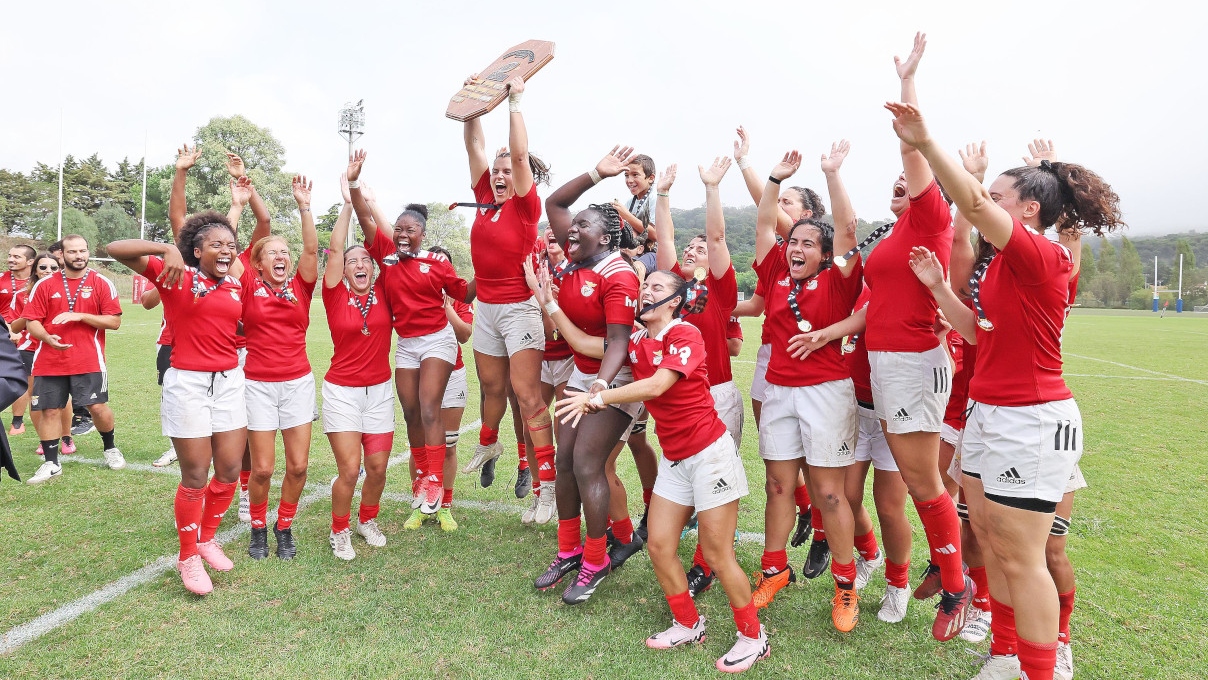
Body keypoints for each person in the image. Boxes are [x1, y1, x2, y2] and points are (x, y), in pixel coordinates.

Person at [889, 92, 1122, 680]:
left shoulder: (1042, 256)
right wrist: (941, 289)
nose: (984, 204)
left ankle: (1043, 668)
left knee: (1025, 556)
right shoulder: (1001, 268)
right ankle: (1007, 655)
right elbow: (980, 333)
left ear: (1029, 211)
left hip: (1032, 417)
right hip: (991, 413)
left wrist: (923, 142)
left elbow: (965, 199)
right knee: (991, 540)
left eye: (998, 198)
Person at [556, 269, 768, 674]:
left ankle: (753, 638)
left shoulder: (684, 334)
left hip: (710, 455)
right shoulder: (634, 339)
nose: (645, 291)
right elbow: (585, 343)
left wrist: (596, 398)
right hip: (675, 459)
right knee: (658, 546)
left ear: (674, 300)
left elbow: (656, 386)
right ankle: (688, 623)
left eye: (656, 287)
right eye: (644, 285)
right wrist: (547, 301)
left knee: (720, 556)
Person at [858, 35, 977, 641]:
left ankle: (955, 586)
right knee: (917, 477)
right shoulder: (894, 233)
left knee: (921, 480)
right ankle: (950, 572)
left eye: (913, 182)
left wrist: (908, 85)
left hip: (912, 361)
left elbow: (913, 148)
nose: (903, 185)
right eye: (899, 184)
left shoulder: (932, 215)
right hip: (888, 362)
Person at [108, 188, 248, 595]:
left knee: (228, 469)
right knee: (195, 475)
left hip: (229, 382)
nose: (226, 250)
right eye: (217, 244)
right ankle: (187, 555)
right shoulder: (176, 276)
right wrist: (166, 246)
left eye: (231, 245)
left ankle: (206, 538)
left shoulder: (236, 285)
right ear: (197, 250)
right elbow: (116, 248)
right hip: (187, 383)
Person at [750, 146, 862, 632]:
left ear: (825, 251)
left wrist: (831, 174)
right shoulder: (777, 273)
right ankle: (774, 571)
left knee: (830, 495)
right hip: (779, 391)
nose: (797, 249)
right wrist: (773, 180)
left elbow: (850, 231)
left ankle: (845, 584)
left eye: (808, 243)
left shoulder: (839, 282)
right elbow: (762, 226)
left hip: (827, 393)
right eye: (793, 241)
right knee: (778, 484)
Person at [530, 146, 641, 605]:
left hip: (617, 381)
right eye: (572, 226)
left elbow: (619, 343)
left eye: (582, 226)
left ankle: (596, 561)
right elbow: (553, 204)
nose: (570, 230)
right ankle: (569, 551)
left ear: (607, 236)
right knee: (563, 463)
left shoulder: (619, 275)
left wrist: (599, 389)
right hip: (583, 374)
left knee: (587, 463)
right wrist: (597, 172)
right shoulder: (577, 257)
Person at [347, 152, 470, 530]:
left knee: (430, 405)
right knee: (412, 411)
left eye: (409, 230)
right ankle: (423, 477)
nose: (402, 234)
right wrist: (355, 187)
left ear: (422, 234)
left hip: (438, 340)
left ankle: (433, 480)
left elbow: (464, 292)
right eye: (398, 229)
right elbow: (367, 218)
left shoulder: (436, 262)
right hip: (408, 344)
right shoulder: (385, 256)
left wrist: (498, 270)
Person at [731, 125, 828, 577]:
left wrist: (760, 174)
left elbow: (766, 214)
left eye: (792, 201)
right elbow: (756, 303)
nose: (779, 205)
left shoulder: (808, 245)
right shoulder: (779, 257)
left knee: (814, 457)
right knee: (777, 446)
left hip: (812, 364)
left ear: (808, 217)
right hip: (773, 352)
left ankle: (825, 528)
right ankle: (805, 508)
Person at [457, 76, 557, 501]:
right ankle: (488, 442)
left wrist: (515, 100)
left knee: (529, 398)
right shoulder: (484, 197)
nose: (498, 176)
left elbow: (517, 155)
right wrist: (474, 103)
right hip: (489, 311)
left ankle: (546, 486)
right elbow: (474, 145)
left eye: (506, 172)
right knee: (492, 388)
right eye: (495, 173)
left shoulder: (525, 206)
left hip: (520, 310)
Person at [651, 158, 745, 596]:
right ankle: (691, 548)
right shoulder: (674, 289)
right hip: (677, 398)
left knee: (715, 490)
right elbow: (665, 237)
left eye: (700, 249)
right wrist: (664, 194)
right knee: (683, 479)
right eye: (690, 249)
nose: (692, 251)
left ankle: (706, 563)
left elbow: (719, 236)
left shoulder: (722, 290)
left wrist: (711, 188)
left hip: (717, 398)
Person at [237, 175, 318, 561]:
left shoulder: (301, 286)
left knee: (299, 466)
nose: (281, 256)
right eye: (272, 252)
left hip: (297, 383)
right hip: (257, 384)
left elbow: (313, 250)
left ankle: (283, 526)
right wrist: (239, 204)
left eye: (285, 251)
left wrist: (304, 205)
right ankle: (257, 527)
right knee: (264, 469)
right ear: (258, 262)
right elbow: (226, 252)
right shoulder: (248, 282)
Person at [321, 178, 394, 560]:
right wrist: (348, 202)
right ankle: (340, 530)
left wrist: (369, 202)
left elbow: (388, 245)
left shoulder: (385, 291)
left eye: (366, 260)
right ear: (344, 270)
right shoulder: (334, 293)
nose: (360, 264)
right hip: (342, 392)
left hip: (380, 391)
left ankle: (367, 519)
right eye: (353, 262)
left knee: (378, 468)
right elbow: (334, 248)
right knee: (349, 469)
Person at [21, 234, 124, 483]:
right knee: (50, 411)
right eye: (73, 252)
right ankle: (51, 463)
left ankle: (110, 447)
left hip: (88, 359)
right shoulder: (44, 285)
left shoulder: (101, 282)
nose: (79, 256)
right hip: (49, 359)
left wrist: (80, 316)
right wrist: (46, 337)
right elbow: (31, 320)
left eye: (83, 251)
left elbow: (114, 321)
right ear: (61, 255)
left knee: (97, 407)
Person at [8, 254, 75, 459]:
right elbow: (13, 326)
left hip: (59, 347)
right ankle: (44, 438)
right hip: (30, 349)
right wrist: (29, 314)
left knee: (62, 395)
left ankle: (66, 437)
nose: (48, 271)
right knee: (36, 395)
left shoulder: (69, 292)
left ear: (60, 269)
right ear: (35, 270)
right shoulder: (21, 294)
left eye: (54, 268)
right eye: (43, 267)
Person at [524, 228, 570, 525]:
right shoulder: (534, 267)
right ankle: (541, 491)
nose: (550, 232)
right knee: (533, 427)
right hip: (538, 354)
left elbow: (561, 326)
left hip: (567, 356)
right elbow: (542, 328)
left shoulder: (575, 269)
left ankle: (562, 497)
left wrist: (549, 301)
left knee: (563, 430)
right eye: (546, 230)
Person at [140, 288, 179, 467]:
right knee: (171, 397)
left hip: (210, 341)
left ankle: (208, 446)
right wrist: (165, 279)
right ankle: (176, 448)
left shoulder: (216, 266)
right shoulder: (170, 266)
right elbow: (147, 302)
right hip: (169, 341)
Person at [2, 244, 35, 434]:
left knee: (25, 380)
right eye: (10, 255)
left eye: (17, 256)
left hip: (27, 338)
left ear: (30, 261)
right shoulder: (1, 280)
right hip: (4, 335)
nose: (11, 259)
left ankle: (17, 421)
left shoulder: (37, 281)